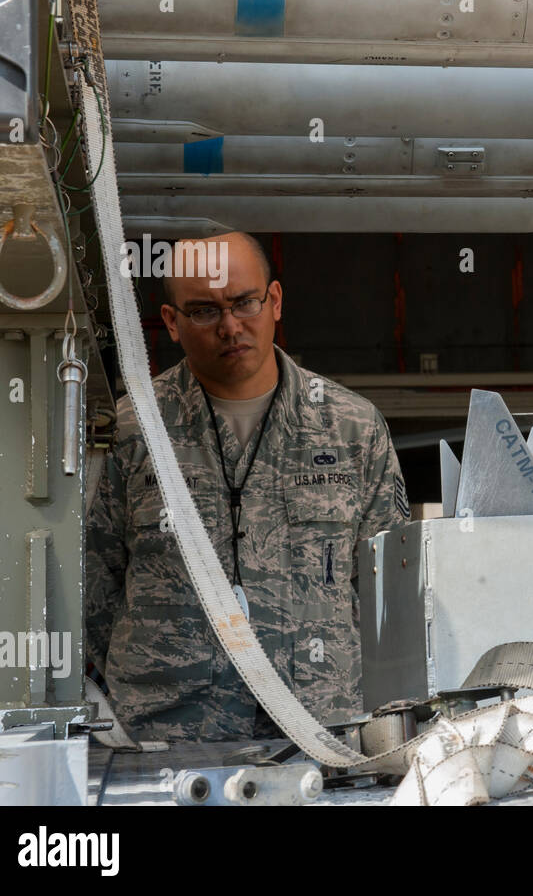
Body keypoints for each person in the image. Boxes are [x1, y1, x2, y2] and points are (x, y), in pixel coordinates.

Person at [86, 232, 410, 741]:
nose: (230, 326)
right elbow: (92, 586)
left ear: (275, 301)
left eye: (244, 302)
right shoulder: (131, 432)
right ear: (171, 322)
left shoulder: (351, 427)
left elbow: (388, 586)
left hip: (319, 728)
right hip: (169, 731)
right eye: (204, 311)